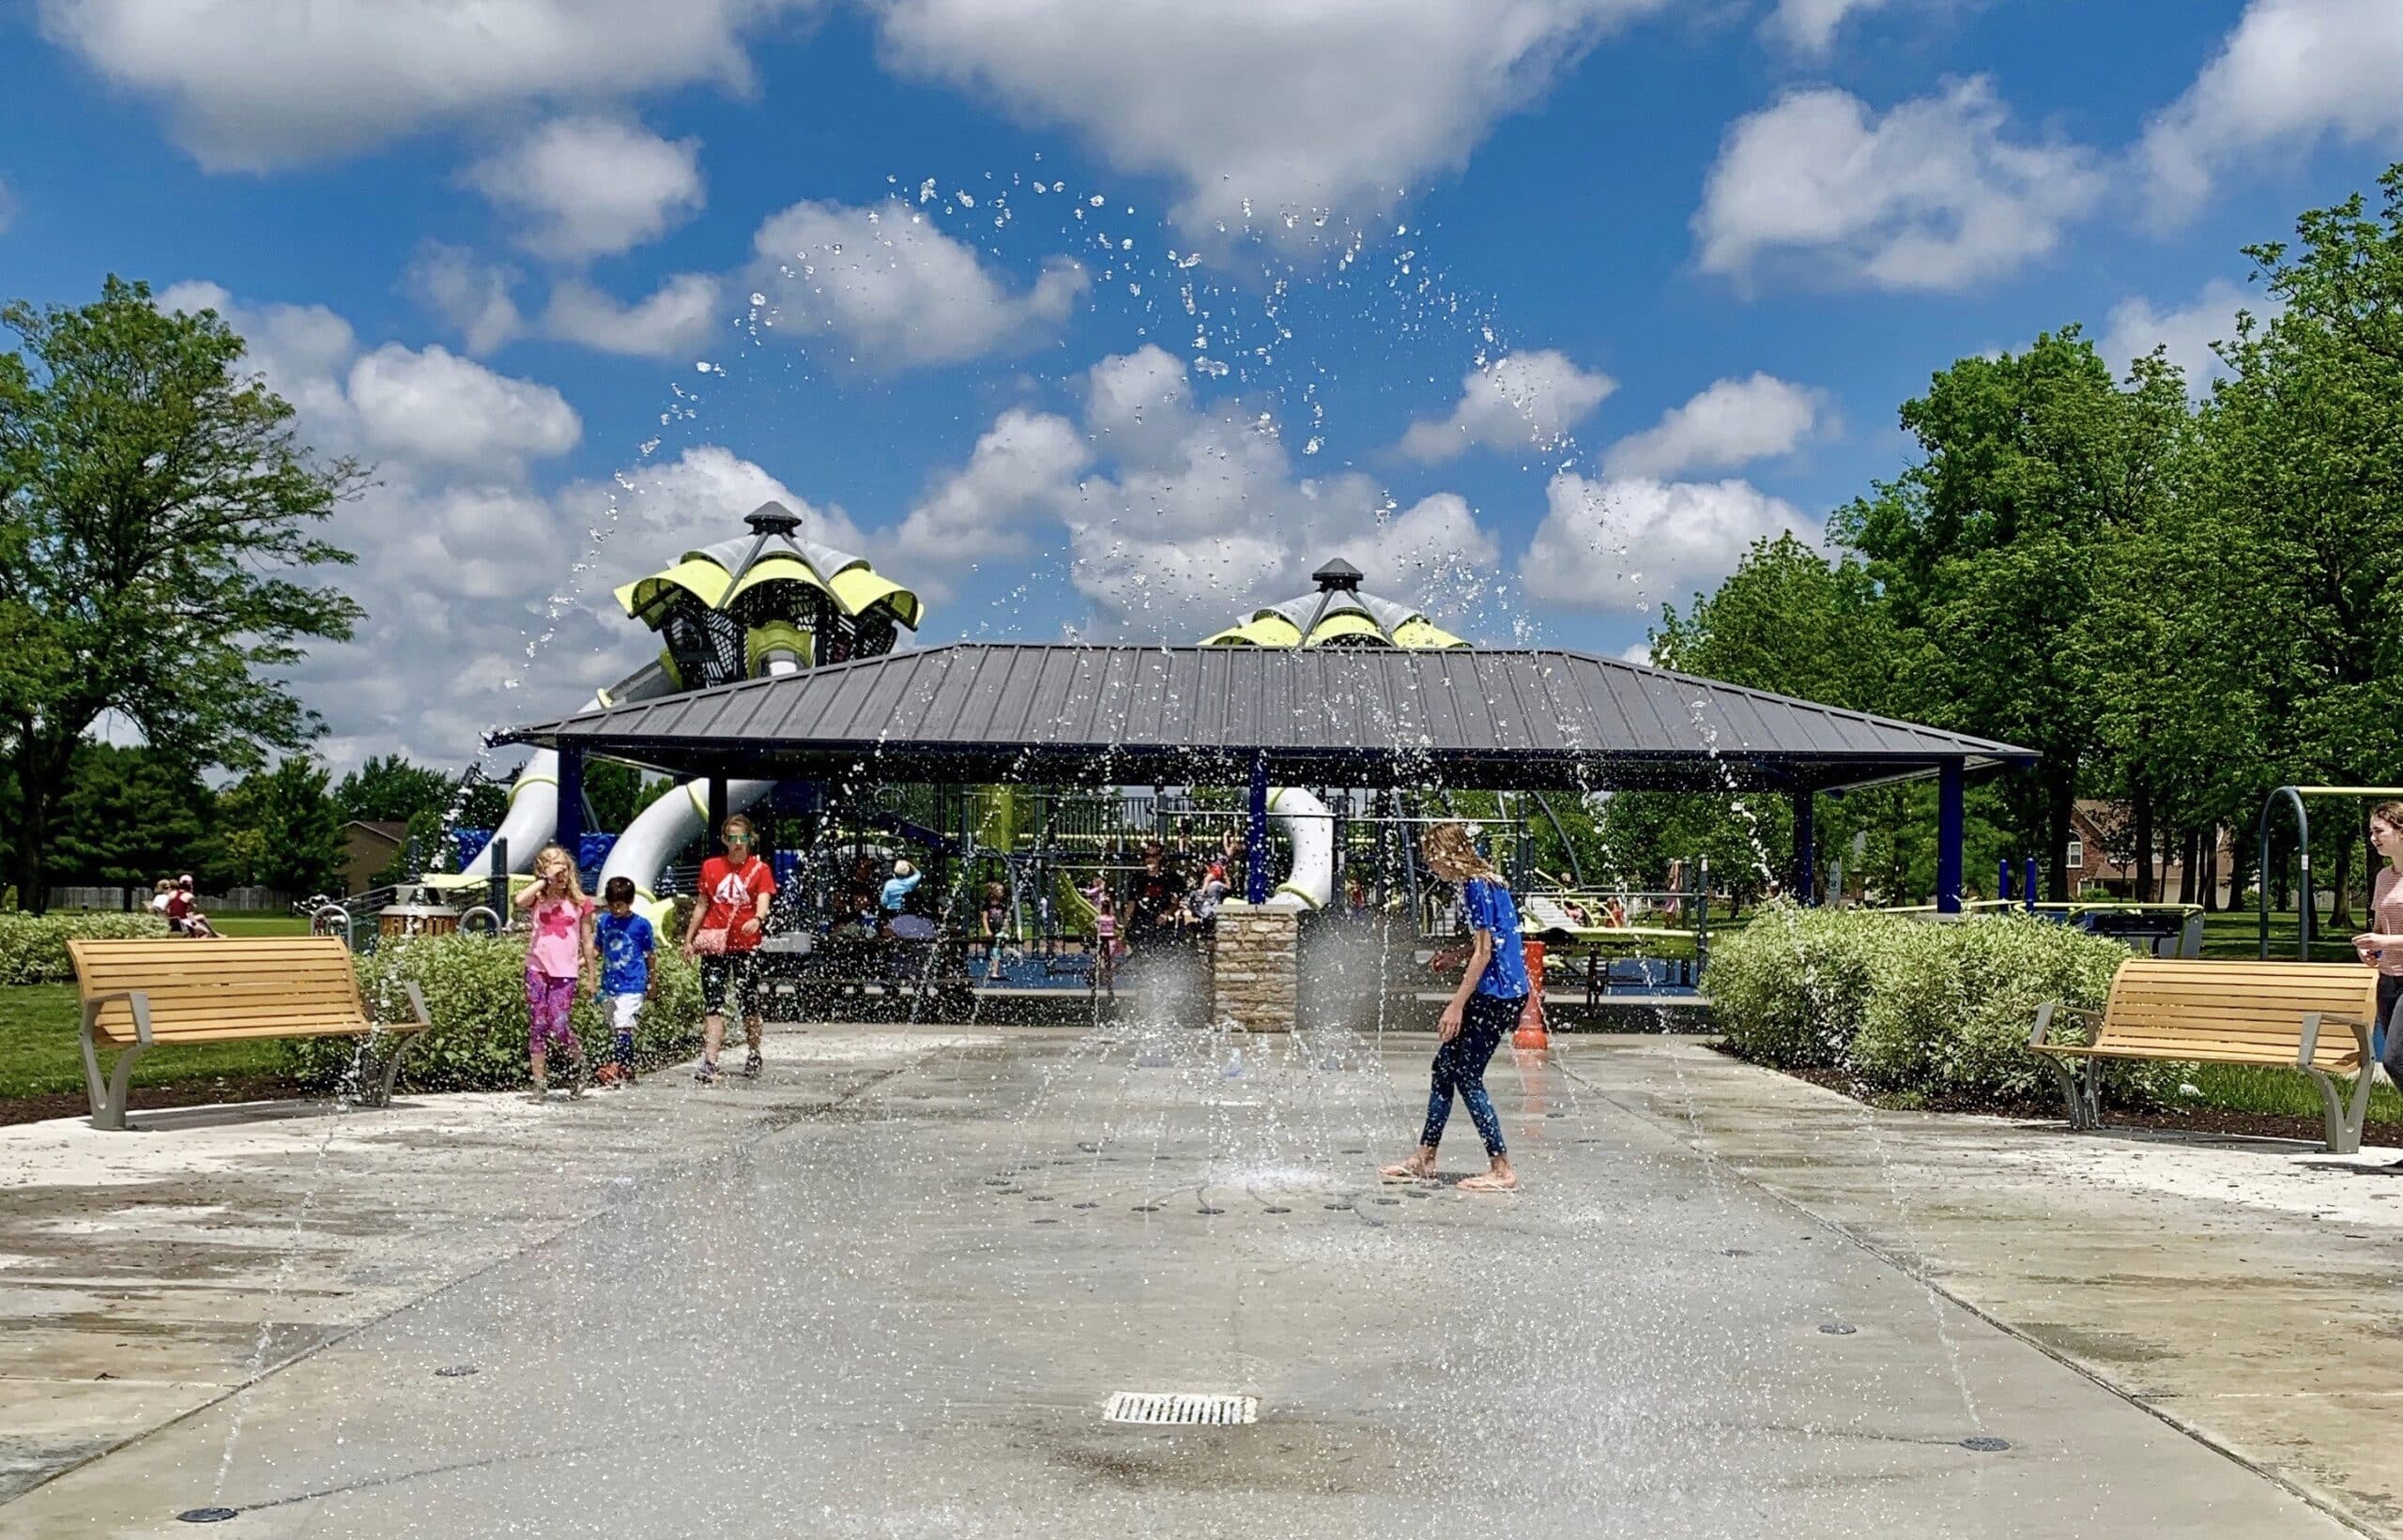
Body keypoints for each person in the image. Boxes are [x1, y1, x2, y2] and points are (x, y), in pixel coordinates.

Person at [1383, 822, 1524, 1193]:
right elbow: (1493, 942)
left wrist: (1456, 1005)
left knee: (1467, 1074)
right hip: (1503, 989)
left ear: (1448, 854)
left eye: (1432, 860)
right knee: (1444, 1068)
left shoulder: (1476, 885)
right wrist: (1455, 954)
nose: (1431, 868)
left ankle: (1502, 1168)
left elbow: (1485, 953)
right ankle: (1425, 1157)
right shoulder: (1488, 880)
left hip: (1497, 994)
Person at [685, 814, 776, 1084]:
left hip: (746, 946)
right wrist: (689, 939)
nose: (737, 844)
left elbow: (764, 900)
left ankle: (754, 1050)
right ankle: (710, 1060)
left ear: (751, 839)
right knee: (714, 1003)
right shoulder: (711, 867)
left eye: (743, 838)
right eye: (732, 838)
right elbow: (702, 904)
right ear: (725, 840)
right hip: (716, 945)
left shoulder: (760, 870)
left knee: (748, 1001)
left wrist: (757, 919)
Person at [513, 844, 595, 1101]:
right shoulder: (538, 898)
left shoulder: (581, 903)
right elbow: (518, 901)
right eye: (552, 866)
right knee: (538, 1024)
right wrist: (544, 881)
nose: (559, 873)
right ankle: (539, 1083)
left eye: (563, 867)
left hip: (566, 973)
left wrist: (592, 975)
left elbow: (588, 941)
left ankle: (579, 1063)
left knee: (558, 1024)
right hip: (537, 968)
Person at [2352, 802, 2403, 1165]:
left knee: (2395, 1059)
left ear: (2401, 831)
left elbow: (2387, 938)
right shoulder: (2384, 878)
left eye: (2379, 832)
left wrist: (2384, 943)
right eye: (2371, 832)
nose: (2373, 839)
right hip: (2389, 979)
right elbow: (2382, 928)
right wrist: (2371, 951)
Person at [593, 876, 656, 1088]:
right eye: (611, 905)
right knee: (617, 1027)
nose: (614, 909)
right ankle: (628, 1068)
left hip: (633, 983)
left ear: (629, 902)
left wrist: (652, 982)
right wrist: (581, 964)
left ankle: (617, 1066)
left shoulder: (641, 925)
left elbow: (650, 955)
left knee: (623, 1023)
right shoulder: (603, 922)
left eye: (619, 905)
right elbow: (597, 949)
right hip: (610, 984)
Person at [1092, 892, 1118, 999]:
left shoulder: (1099, 918)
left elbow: (1093, 923)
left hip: (1102, 936)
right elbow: (1117, 926)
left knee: (1099, 951)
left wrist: (1095, 927)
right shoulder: (1112, 918)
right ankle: (1108, 967)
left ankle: (1097, 965)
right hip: (1109, 936)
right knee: (1107, 954)